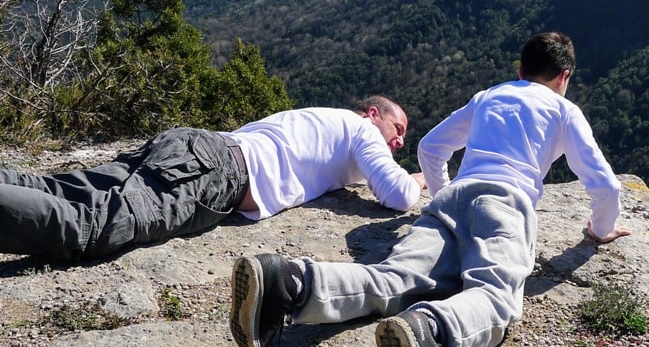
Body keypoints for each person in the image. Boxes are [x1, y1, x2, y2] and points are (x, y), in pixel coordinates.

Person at [229, 32, 631, 347]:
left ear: (521, 71)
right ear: (564, 76)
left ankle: (289, 282)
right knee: (497, 298)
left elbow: (431, 147)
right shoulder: (563, 110)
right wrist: (600, 229)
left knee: (395, 277)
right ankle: (432, 332)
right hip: (506, 203)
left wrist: (443, 198)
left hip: (453, 199)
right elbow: (605, 185)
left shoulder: (489, 97)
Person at [0, 98, 426, 263]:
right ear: (373, 114)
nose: (400, 140)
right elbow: (397, 193)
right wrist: (421, 179)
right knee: (92, 227)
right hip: (218, 171)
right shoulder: (362, 130)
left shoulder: (323, 121)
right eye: (398, 128)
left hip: (195, 145)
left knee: (69, 189)